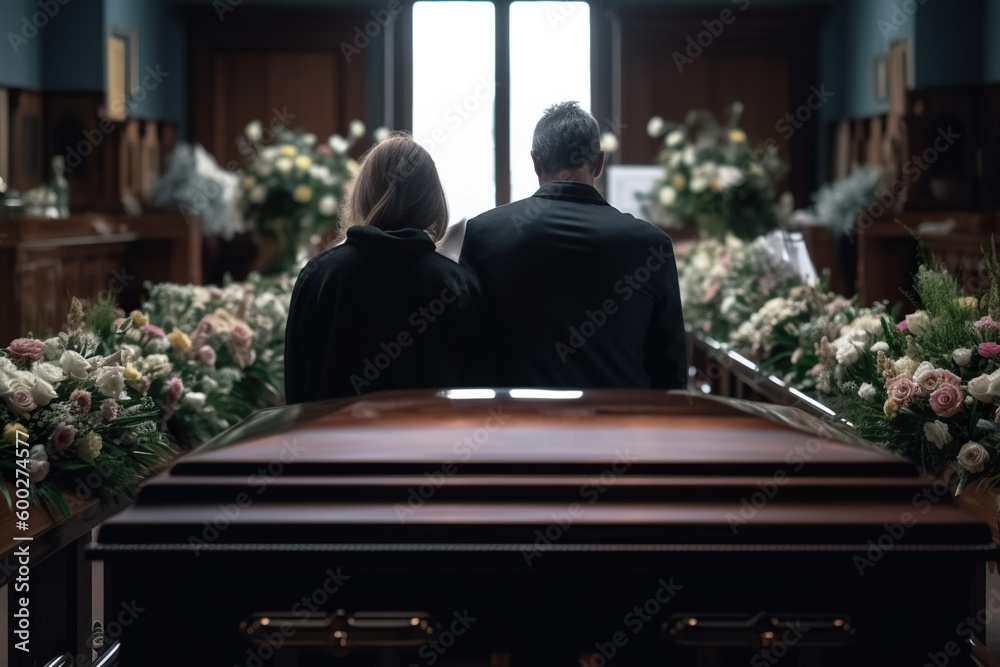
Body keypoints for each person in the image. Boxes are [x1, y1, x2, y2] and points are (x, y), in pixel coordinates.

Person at [460, 101, 687, 389]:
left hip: (514, 425)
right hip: (620, 426)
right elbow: (671, 372)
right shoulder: (652, 244)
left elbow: (467, 349)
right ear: (600, 162)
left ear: (536, 161)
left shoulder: (485, 233)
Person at [284, 133, 488, 403]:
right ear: (431, 201)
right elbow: (479, 393)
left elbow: (297, 391)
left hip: (338, 443)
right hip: (436, 443)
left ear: (362, 194)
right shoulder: (458, 283)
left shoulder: (320, 276)